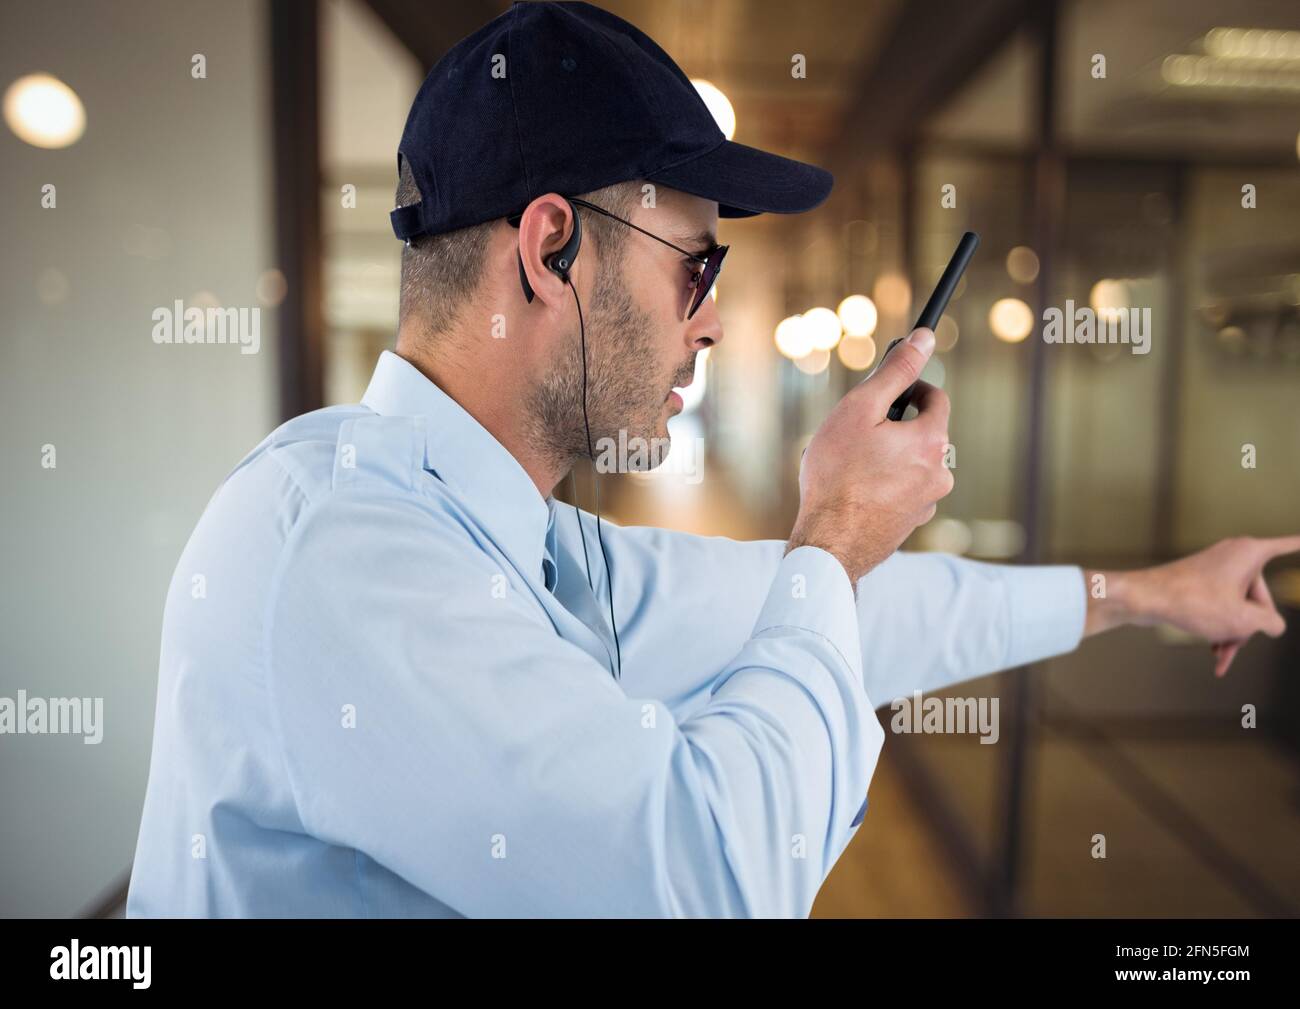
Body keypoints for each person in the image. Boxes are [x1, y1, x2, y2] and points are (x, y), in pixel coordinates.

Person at [126, 1, 1297, 918]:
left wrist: (1145, 596)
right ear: (552, 248)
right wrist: (830, 537)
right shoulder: (346, 546)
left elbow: (842, 618)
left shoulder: (517, 538)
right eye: (697, 262)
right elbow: (712, 882)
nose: (712, 320)